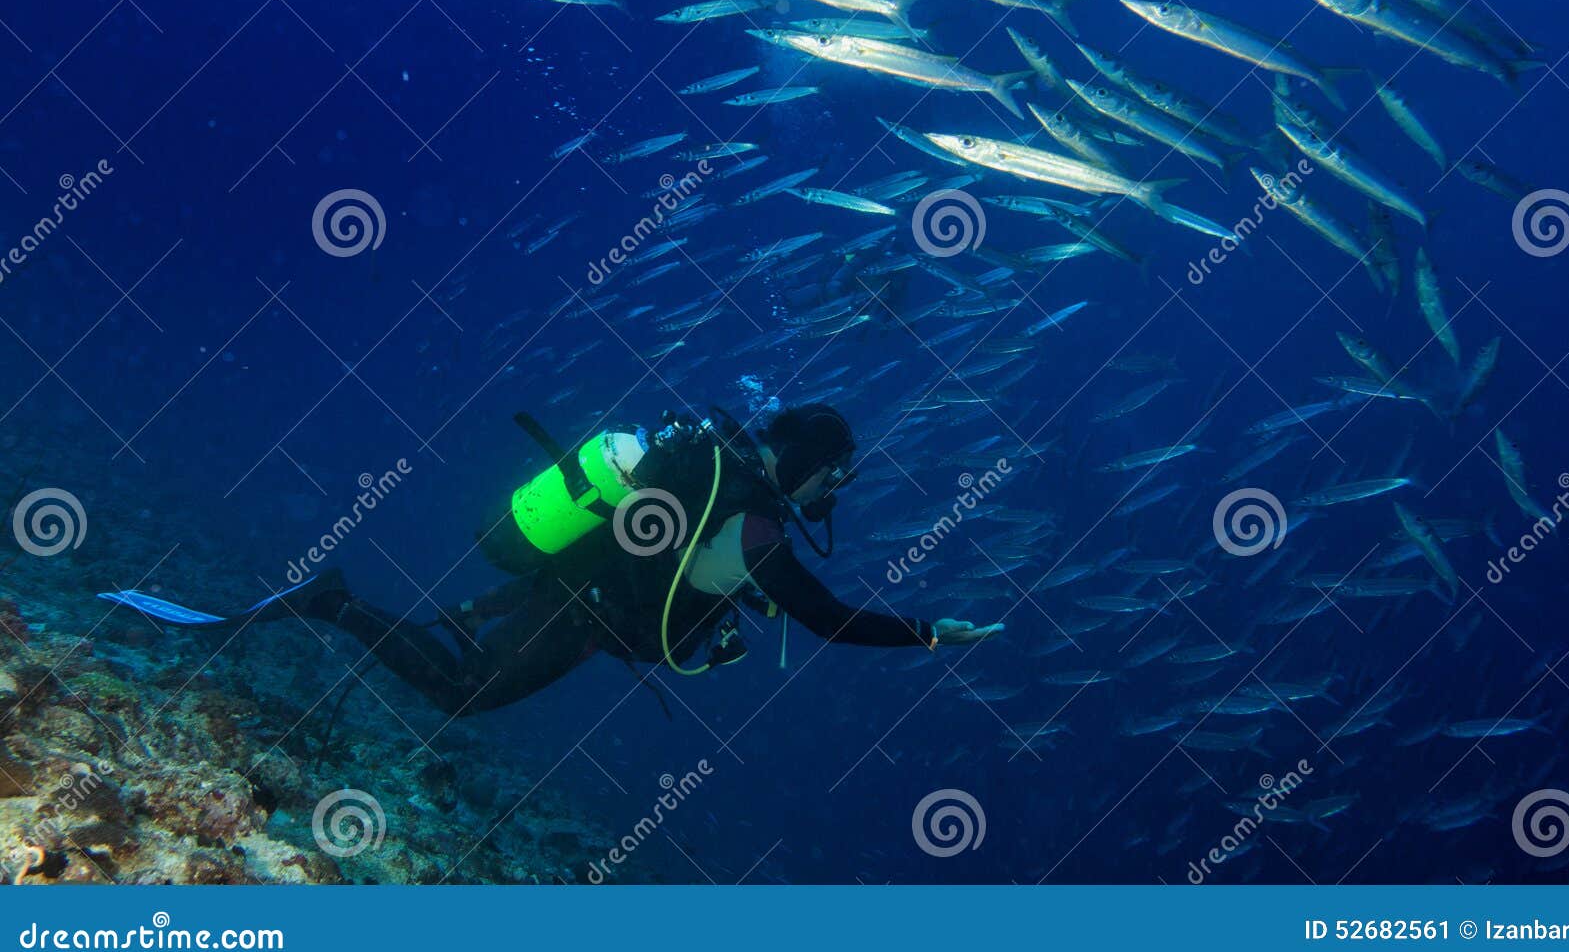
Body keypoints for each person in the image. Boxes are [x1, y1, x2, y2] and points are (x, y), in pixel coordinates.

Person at [101, 404, 1002, 715]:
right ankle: (333, 603)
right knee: (464, 696)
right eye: (834, 475)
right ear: (809, 467)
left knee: (467, 664)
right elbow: (829, 621)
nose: (833, 495)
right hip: (583, 612)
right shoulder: (758, 526)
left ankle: (370, 609)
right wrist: (929, 633)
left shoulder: (711, 469)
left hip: (581, 594)